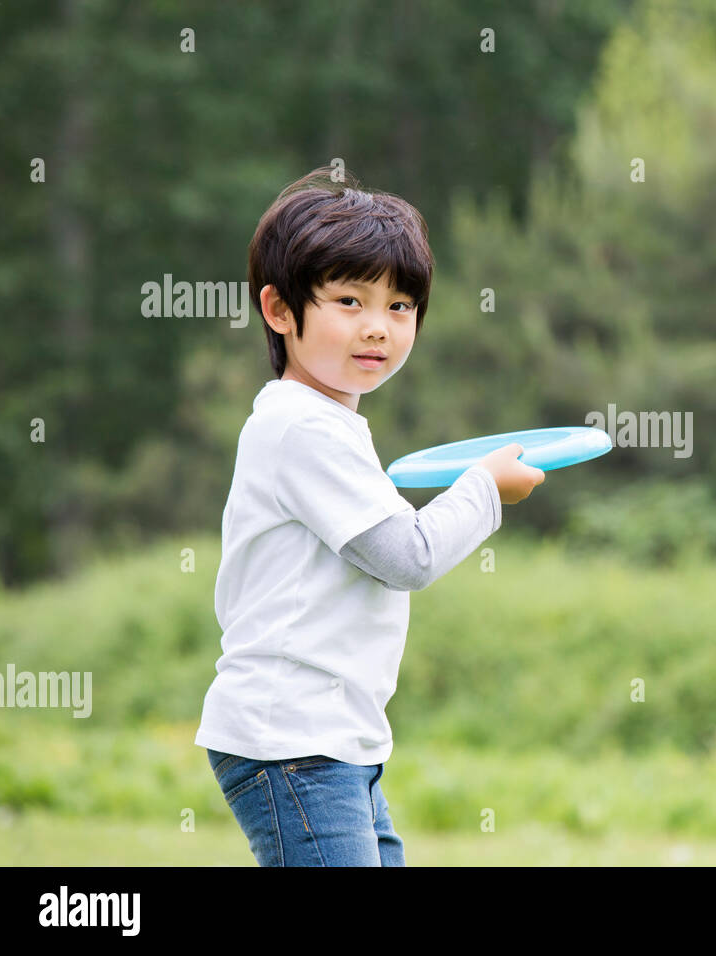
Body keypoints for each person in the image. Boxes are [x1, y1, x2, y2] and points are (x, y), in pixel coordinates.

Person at [194, 166, 544, 865]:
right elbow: (405, 558)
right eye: (350, 301)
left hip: (331, 737)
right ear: (279, 310)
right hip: (291, 740)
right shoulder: (303, 429)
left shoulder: (328, 424)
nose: (378, 328)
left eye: (401, 306)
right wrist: (483, 488)